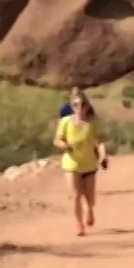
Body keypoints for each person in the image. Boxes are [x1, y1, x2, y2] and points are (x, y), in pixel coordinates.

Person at [53, 91, 107, 236]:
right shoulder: (65, 122)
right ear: (72, 106)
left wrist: (103, 155)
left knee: (90, 197)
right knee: (76, 195)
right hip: (71, 163)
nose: (79, 107)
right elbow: (57, 140)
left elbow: (100, 141)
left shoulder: (93, 123)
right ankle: (79, 224)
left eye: (82, 104)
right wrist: (64, 145)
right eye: (76, 105)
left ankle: (89, 209)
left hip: (89, 164)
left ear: (87, 106)